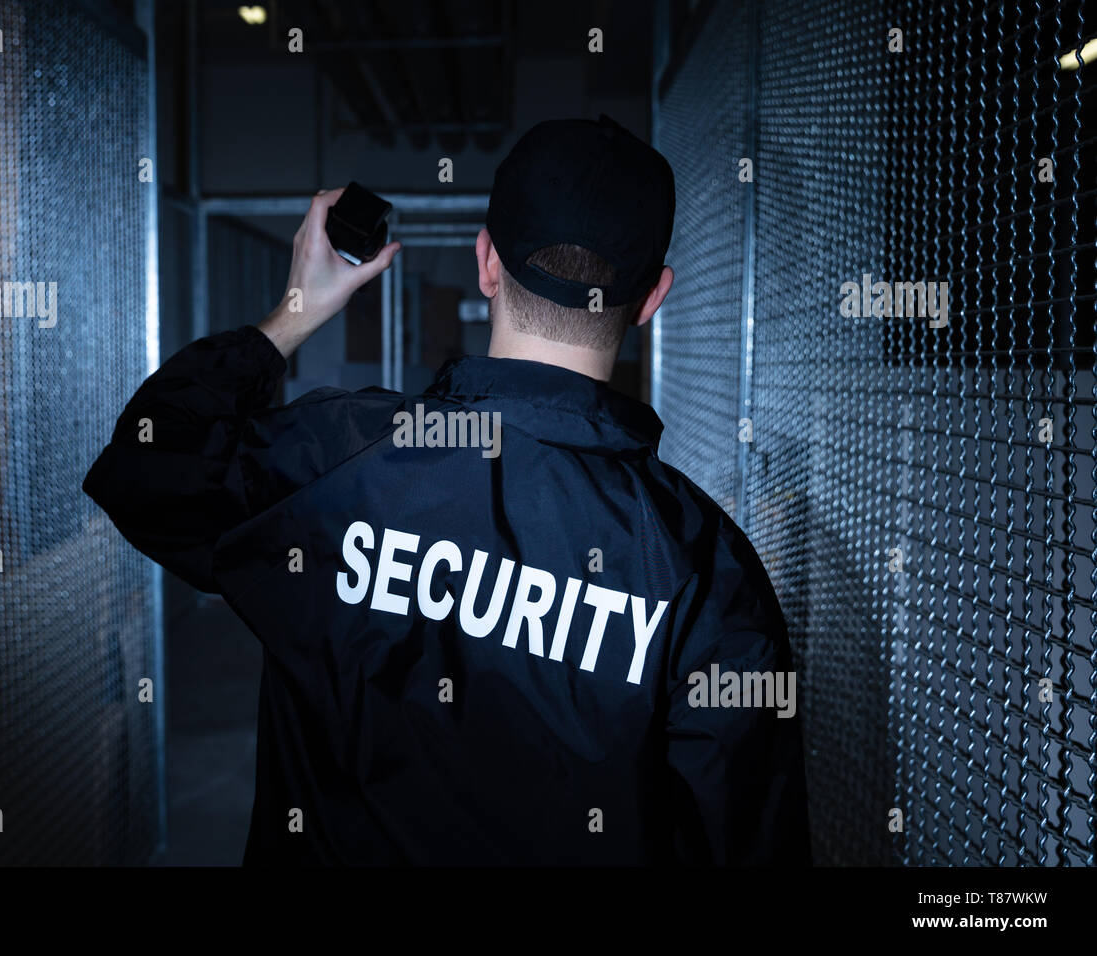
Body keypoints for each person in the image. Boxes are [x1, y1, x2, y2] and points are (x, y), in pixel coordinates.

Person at [83, 114, 811, 865]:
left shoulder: (335, 460)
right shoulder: (704, 571)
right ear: (652, 298)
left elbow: (145, 464)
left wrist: (291, 318)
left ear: (486, 262)